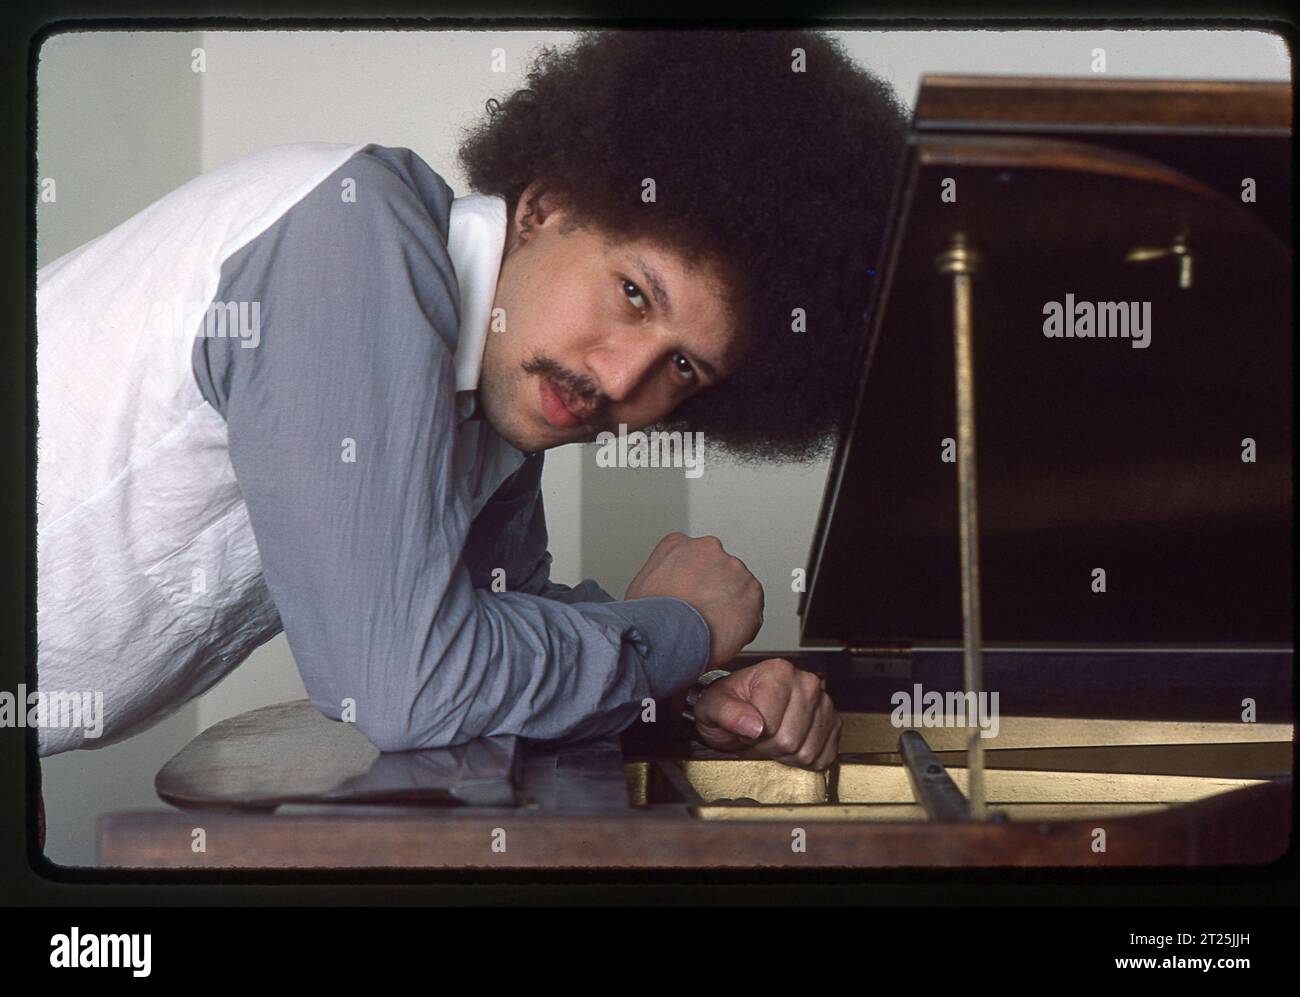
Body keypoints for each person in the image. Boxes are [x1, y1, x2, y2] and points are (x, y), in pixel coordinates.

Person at [35, 29, 907, 771]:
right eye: (635, 294)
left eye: (683, 370)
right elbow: (408, 682)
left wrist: (696, 700)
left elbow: (494, 635)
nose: (618, 378)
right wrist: (676, 632)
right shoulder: (354, 241)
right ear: (544, 209)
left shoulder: (496, 401)